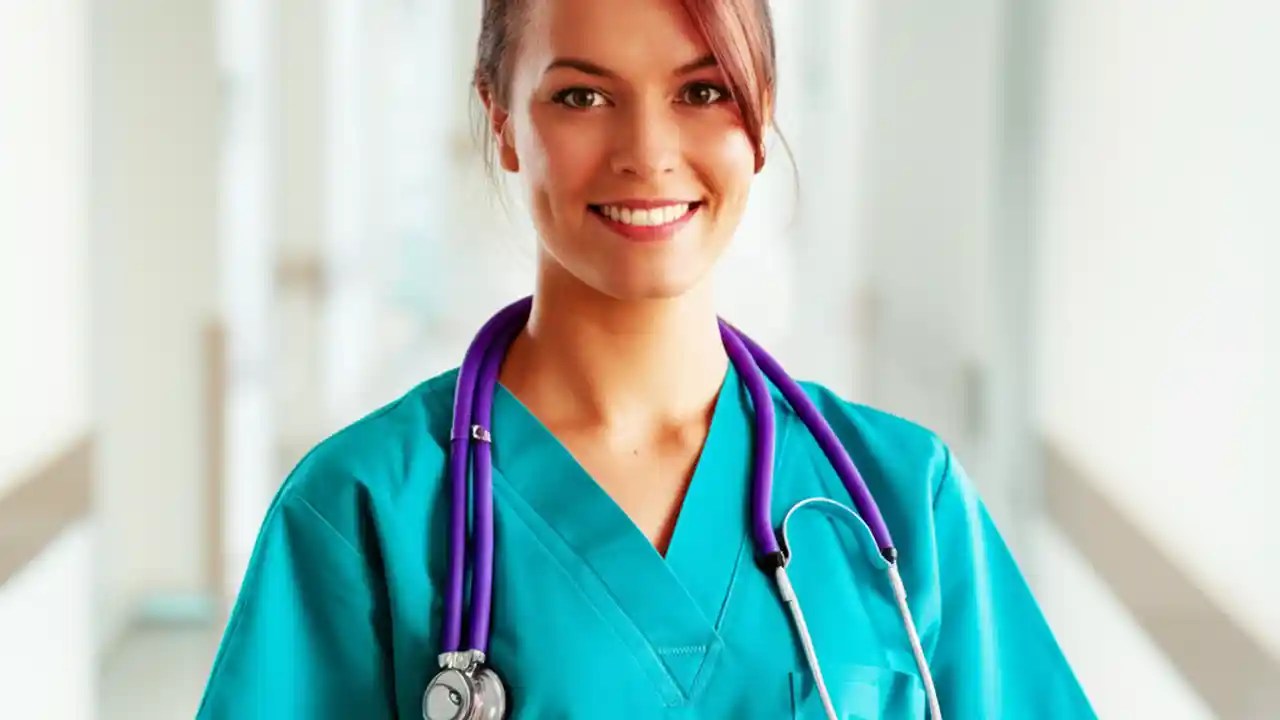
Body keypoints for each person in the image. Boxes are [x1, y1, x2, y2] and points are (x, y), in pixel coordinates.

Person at [197, 0, 1096, 717]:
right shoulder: (365, 510)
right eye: (582, 96)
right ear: (502, 122)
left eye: (702, 92)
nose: (648, 153)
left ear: (761, 112)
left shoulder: (902, 499)